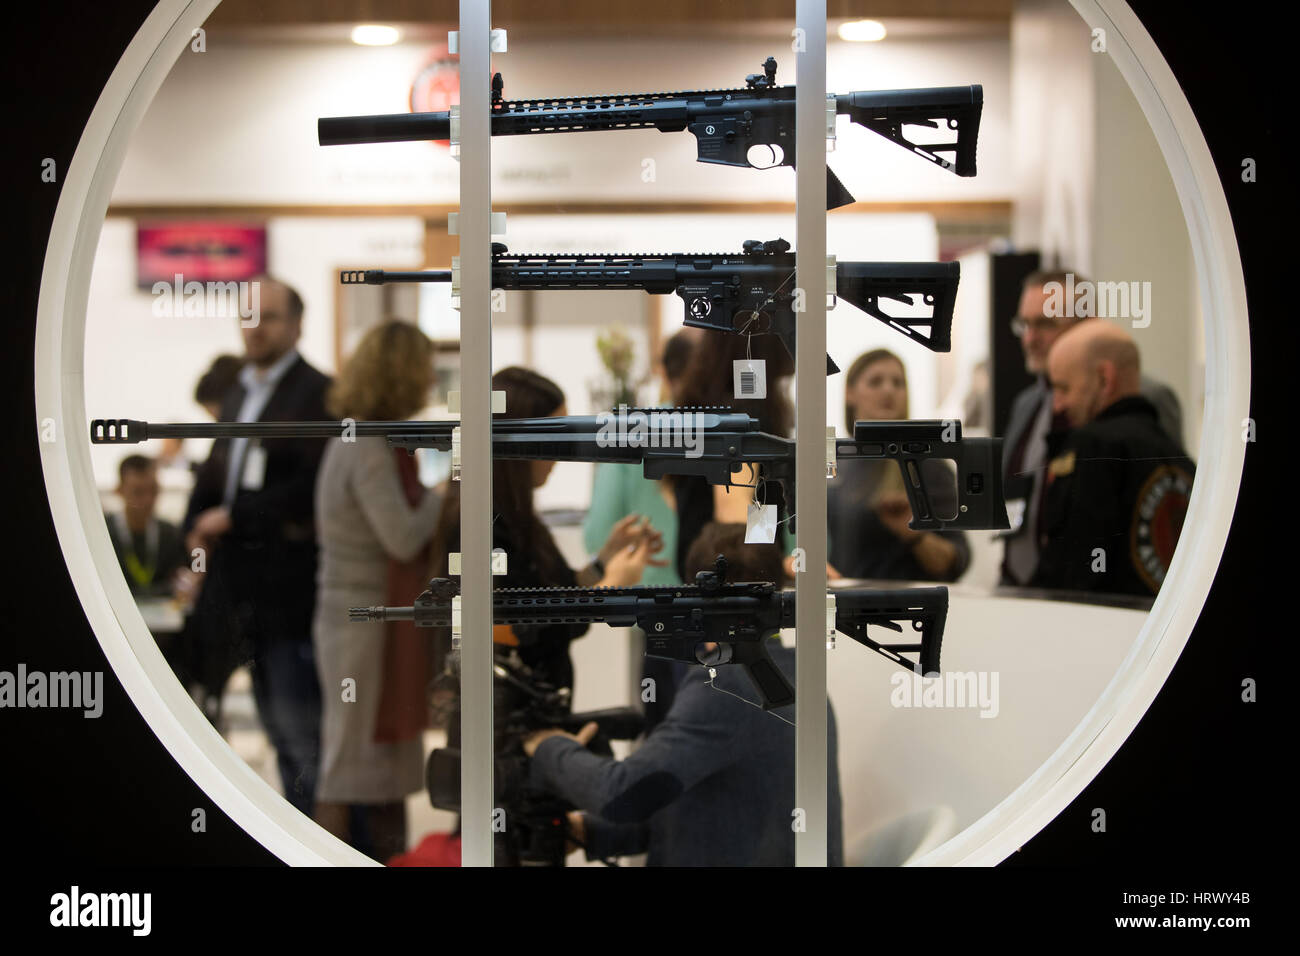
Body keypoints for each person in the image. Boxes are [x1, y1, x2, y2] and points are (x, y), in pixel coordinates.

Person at [523, 521, 844, 866]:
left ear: (696, 597)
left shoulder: (727, 684)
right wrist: (593, 832)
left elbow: (623, 793)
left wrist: (545, 746)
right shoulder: (796, 676)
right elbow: (720, 812)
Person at [182, 276, 330, 816]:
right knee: (268, 723)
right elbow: (218, 468)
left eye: (268, 316)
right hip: (235, 586)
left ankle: (316, 837)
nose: (255, 327)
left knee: (300, 733)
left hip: (288, 590)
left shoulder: (318, 392)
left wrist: (233, 516)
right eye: (249, 316)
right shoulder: (240, 390)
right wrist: (194, 525)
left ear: (296, 325)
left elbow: (309, 488)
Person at [312, 320, 446, 861]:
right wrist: (448, 491)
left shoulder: (365, 436)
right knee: (347, 769)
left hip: (375, 618)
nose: (429, 382)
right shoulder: (367, 444)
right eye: (423, 370)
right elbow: (403, 535)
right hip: (359, 622)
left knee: (385, 772)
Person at [1001, 270, 1183, 586]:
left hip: (1101, 595)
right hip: (1020, 588)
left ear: (1088, 323)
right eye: (1024, 325)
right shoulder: (1026, 404)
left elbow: (1160, 502)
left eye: (1045, 323)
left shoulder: (1141, 395)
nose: (1030, 339)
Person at [1030, 321, 1194, 596]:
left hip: (1099, 627)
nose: (1057, 404)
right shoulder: (1180, 460)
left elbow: (1070, 571)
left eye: (1063, 388)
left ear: (1104, 379)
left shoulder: (1092, 447)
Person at [830, 349, 970, 582]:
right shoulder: (838, 464)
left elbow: (956, 561)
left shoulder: (928, 467)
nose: (888, 390)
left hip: (904, 607)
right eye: (876, 381)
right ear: (849, 393)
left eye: (898, 382)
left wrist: (914, 535)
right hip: (841, 605)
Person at [106, 455, 188, 600]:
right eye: (138, 492)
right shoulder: (103, 533)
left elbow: (183, 576)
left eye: (154, 490)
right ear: (119, 490)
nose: (148, 500)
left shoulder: (170, 534)